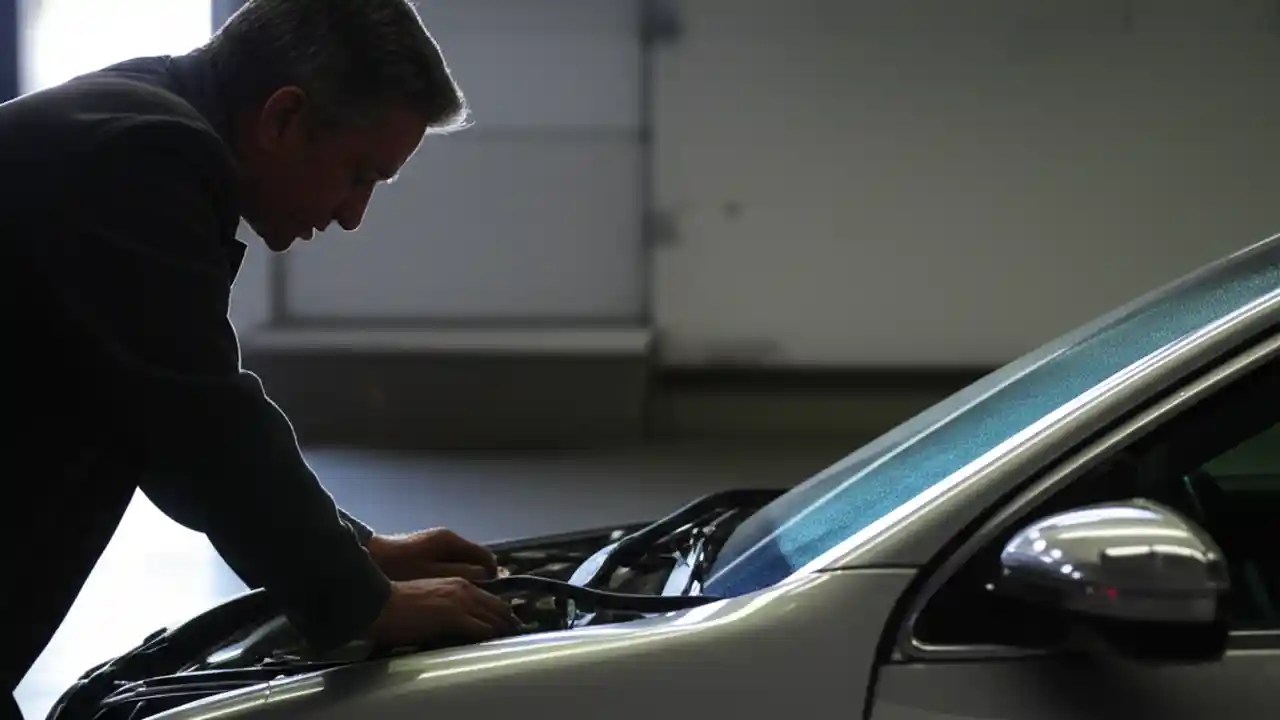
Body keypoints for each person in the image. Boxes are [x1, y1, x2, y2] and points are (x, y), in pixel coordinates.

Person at [0, 0, 521, 714]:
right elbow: (199, 420)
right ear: (284, 118)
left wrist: (356, 551)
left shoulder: (130, 123)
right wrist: (362, 601)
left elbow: (158, 420)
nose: (352, 214)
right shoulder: (138, 157)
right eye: (359, 173)